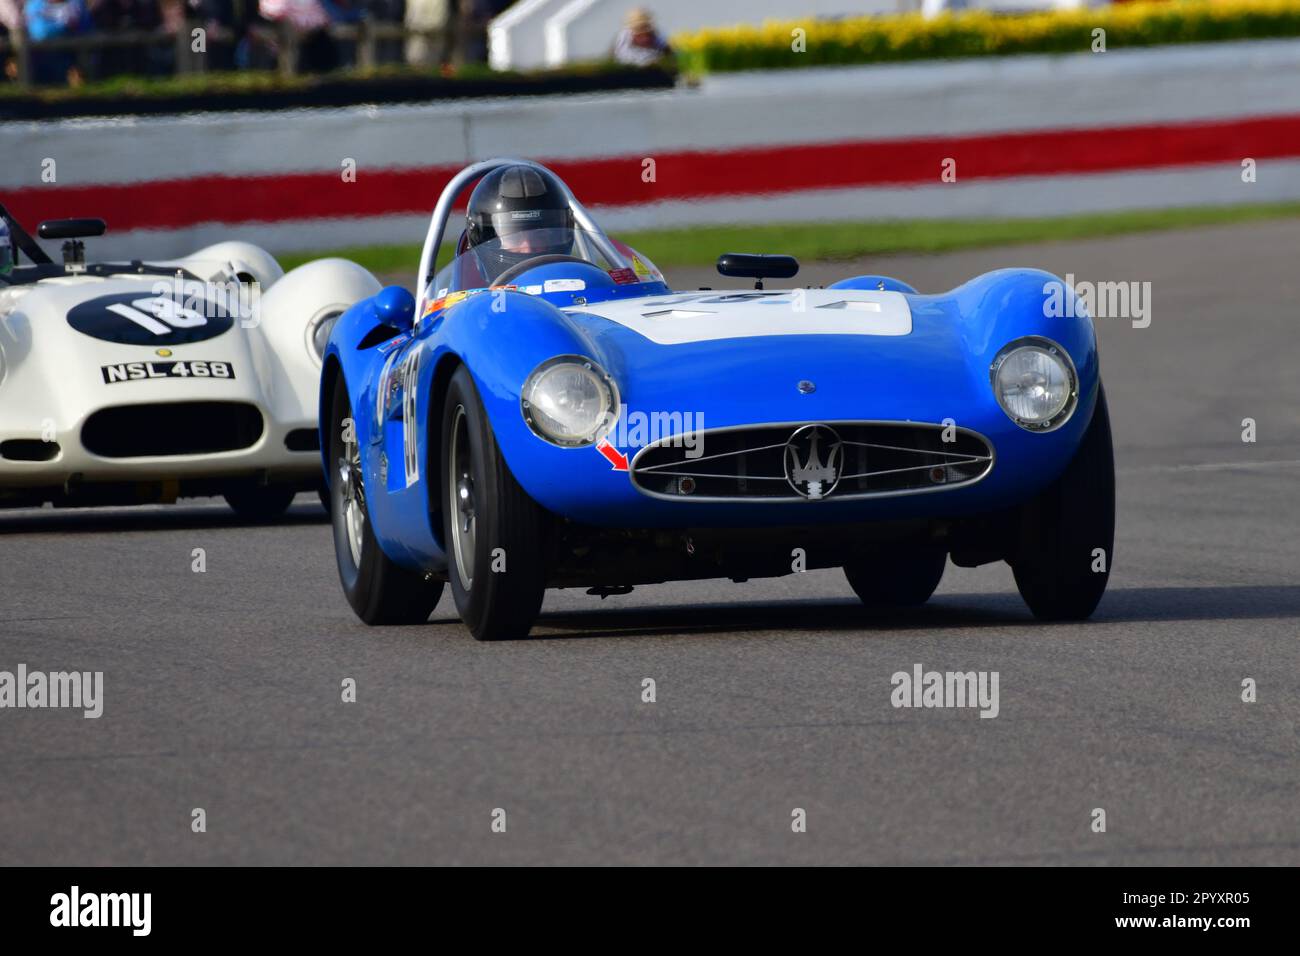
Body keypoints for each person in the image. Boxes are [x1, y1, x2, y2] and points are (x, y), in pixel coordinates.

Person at [462, 164, 577, 284]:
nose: (528, 249)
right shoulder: (466, 300)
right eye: (514, 238)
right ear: (482, 238)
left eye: (540, 236)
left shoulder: (583, 292)